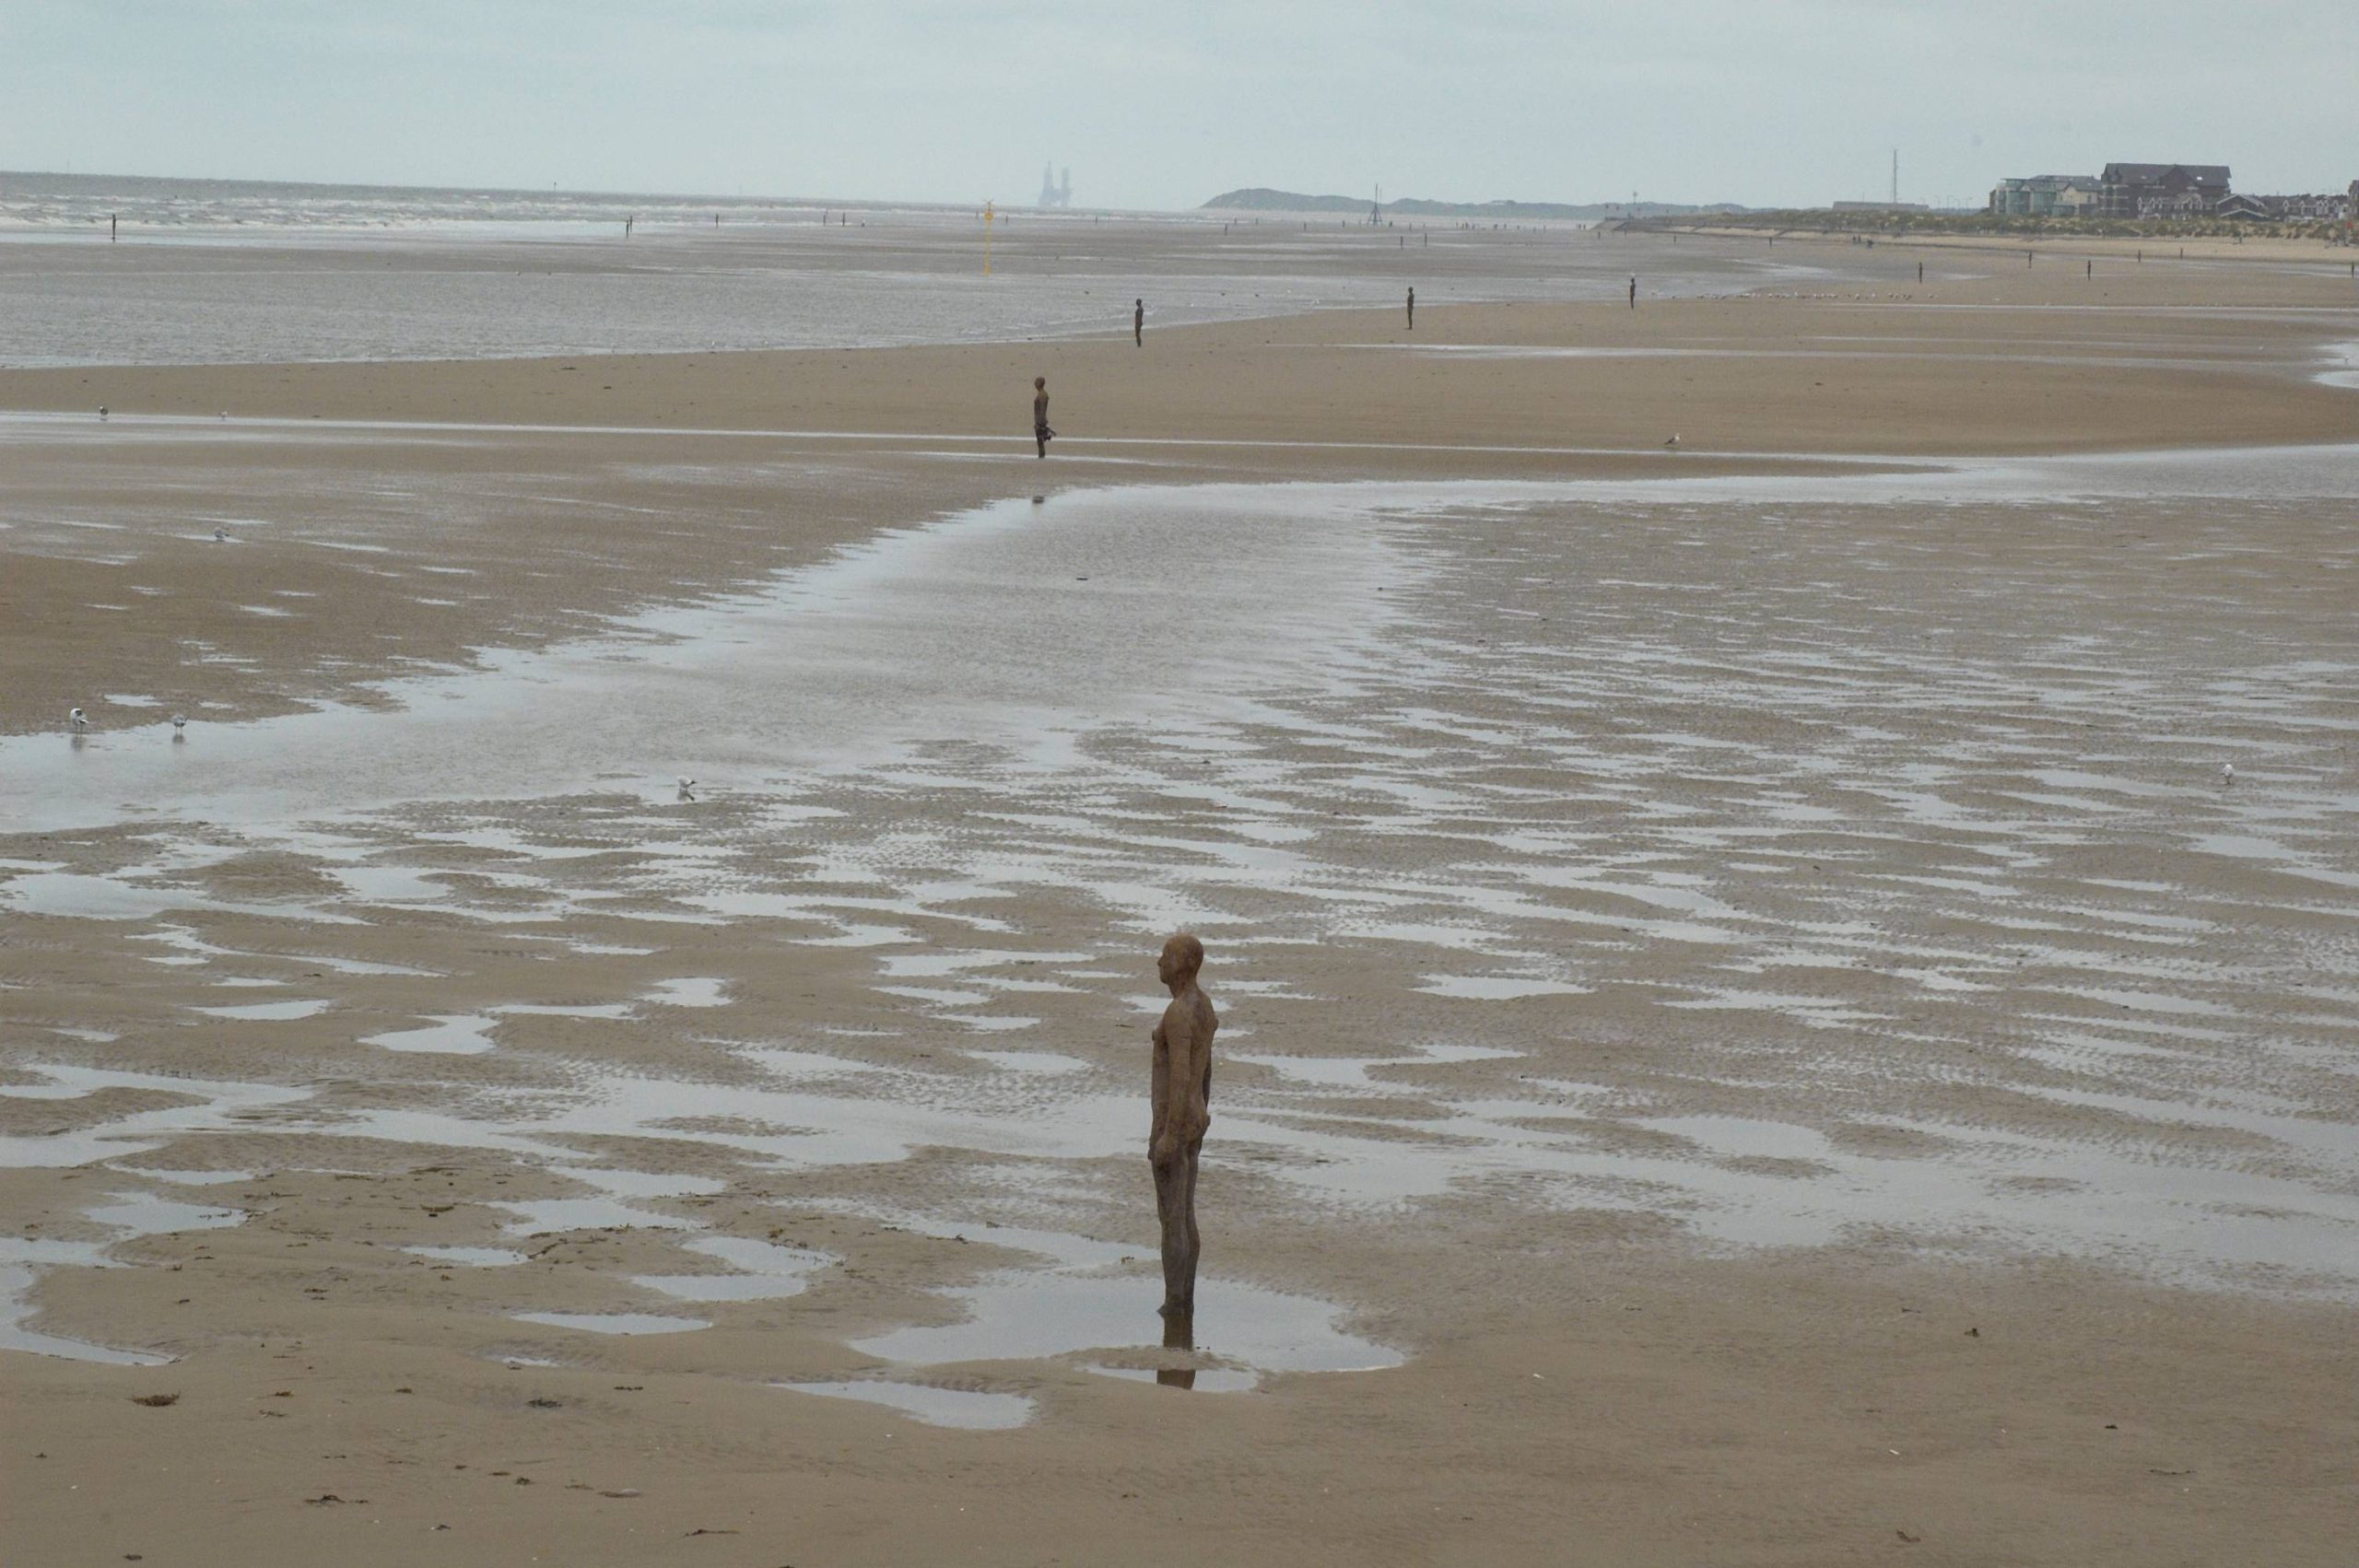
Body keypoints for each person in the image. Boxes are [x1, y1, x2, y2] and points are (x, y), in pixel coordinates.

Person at [1148, 931, 1217, 1318]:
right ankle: (1184, 1300)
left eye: (1166, 955)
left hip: (1175, 1123)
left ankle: (1175, 1301)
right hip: (1195, 1118)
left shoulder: (1178, 1013)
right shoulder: (1203, 1006)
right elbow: (1205, 1072)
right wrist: (1202, 1113)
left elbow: (1181, 1075)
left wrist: (1169, 1136)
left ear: (1185, 965)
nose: (1160, 961)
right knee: (1185, 1213)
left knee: (1173, 1217)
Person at [1032, 376, 1054, 458]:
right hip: (1039, 419)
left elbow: (1042, 409)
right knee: (1039, 441)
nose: (1035, 384)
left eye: (1036, 382)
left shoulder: (1042, 395)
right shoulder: (1041, 394)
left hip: (1040, 420)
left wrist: (1039, 422)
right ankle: (1041, 455)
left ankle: (1041, 455)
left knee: (1040, 441)